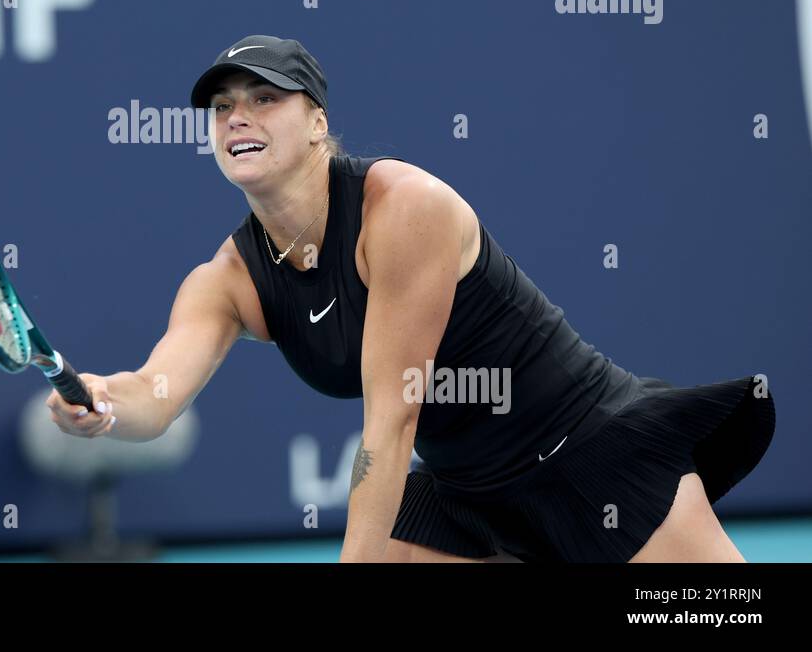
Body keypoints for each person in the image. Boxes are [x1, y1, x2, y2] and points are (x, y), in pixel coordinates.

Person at [47, 34, 776, 562]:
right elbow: (157, 393)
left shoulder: (403, 208)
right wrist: (108, 404)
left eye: (265, 99)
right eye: (223, 107)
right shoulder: (227, 279)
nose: (238, 116)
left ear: (318, 124)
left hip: (589, 456)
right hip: (466, 496)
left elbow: (389, 425)